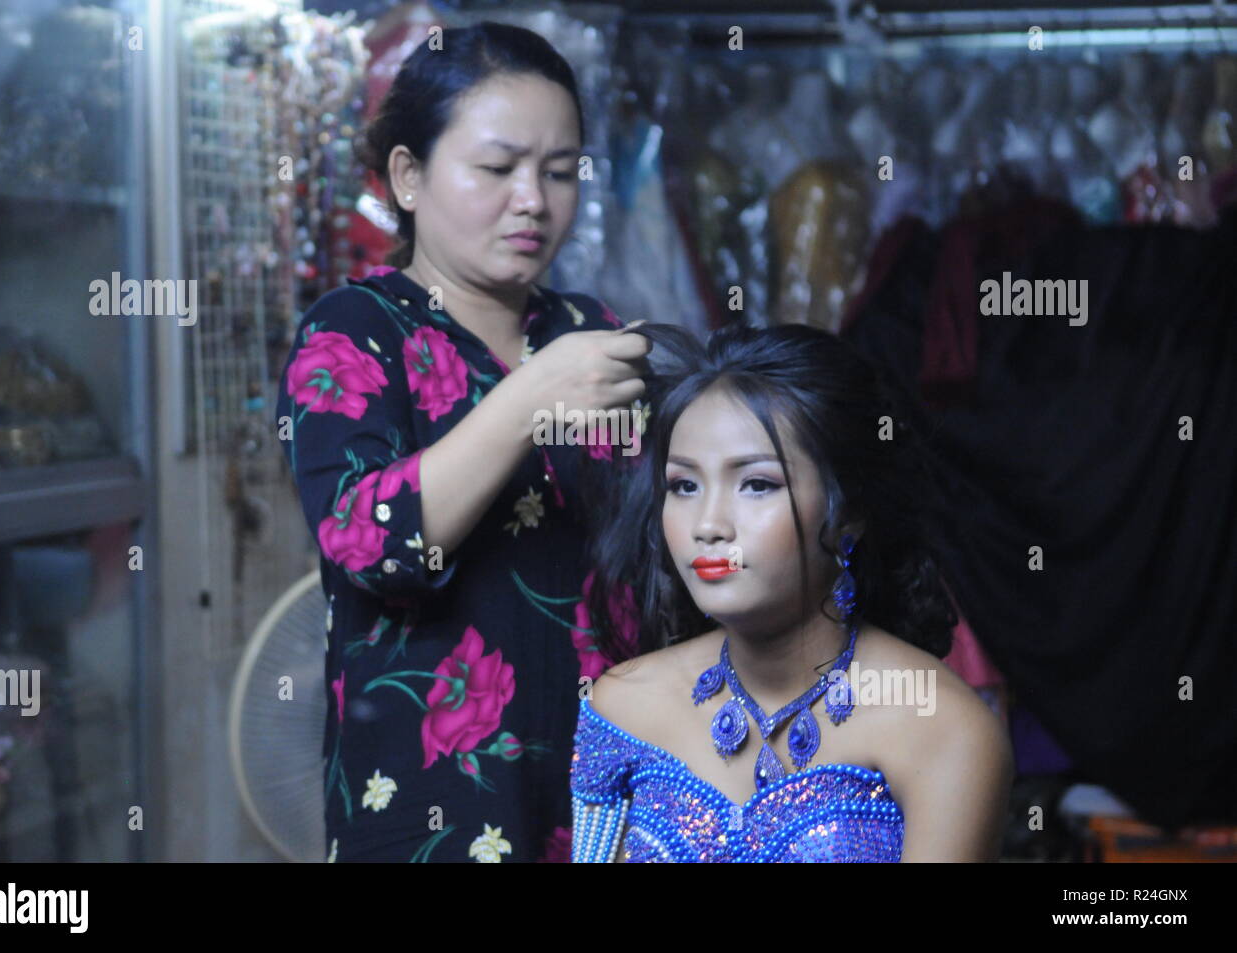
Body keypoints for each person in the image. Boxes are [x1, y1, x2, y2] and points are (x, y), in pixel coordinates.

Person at [276, 21, 650, 863]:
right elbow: (371, 545)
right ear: (408, 175)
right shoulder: (355, 332)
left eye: (559, 173)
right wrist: (527, 399)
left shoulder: (590, 327)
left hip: (610, 776)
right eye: (497, 168)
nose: (535, 200)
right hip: (430, 799)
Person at [572, 323, 1013, 862]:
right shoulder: (622, 707)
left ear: (849, 512)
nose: (708, 524)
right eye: (684, 485)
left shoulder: (943, 727)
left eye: (757, 483)